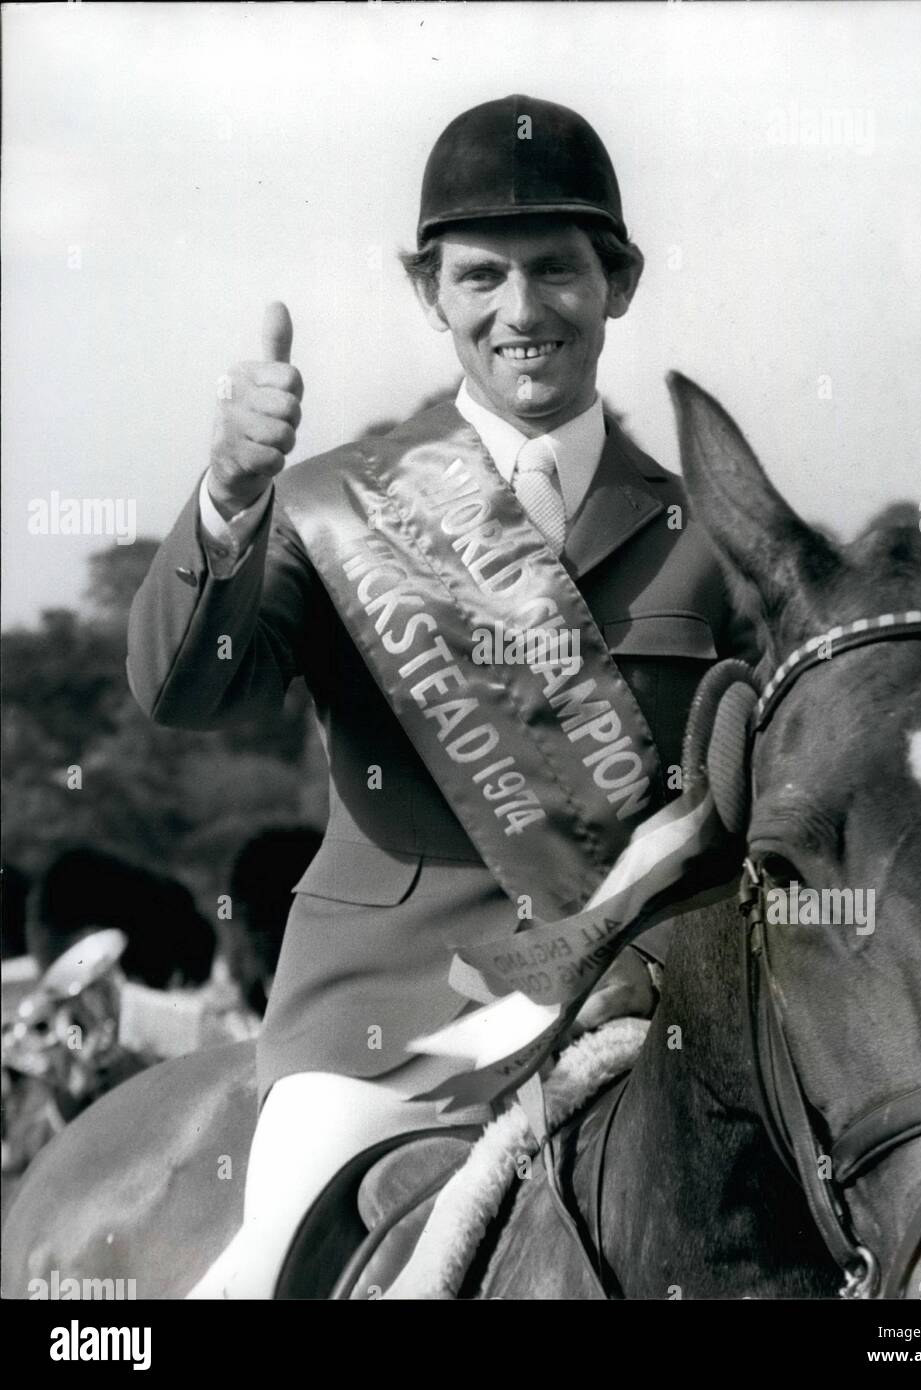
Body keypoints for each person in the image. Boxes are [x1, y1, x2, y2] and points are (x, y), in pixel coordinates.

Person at [127, 94, 756, 1298]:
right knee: (266, 1276)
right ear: (430, 294)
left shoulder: (706, 538)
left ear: (616, 282)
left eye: (555, 271)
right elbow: (179, 689)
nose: (519, 312)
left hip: (647, 1018)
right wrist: (227, 496)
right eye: (479, 276)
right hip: (384, 1034)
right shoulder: (328, 505)